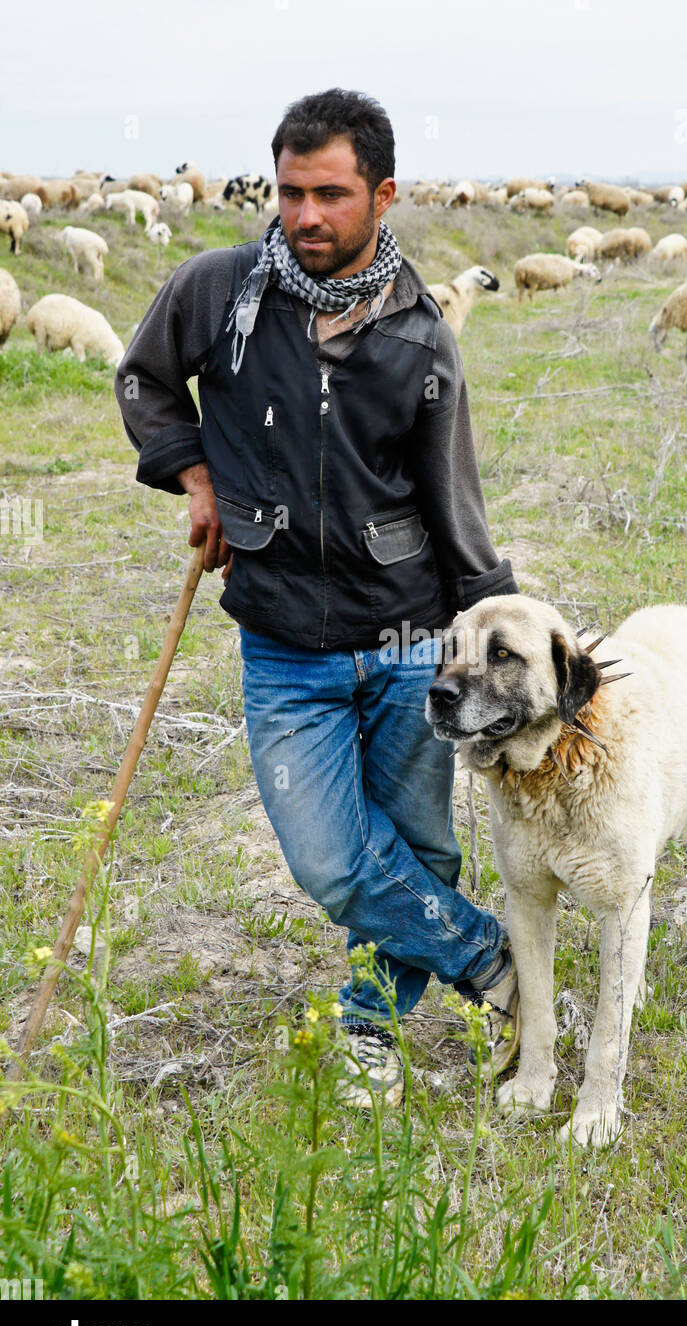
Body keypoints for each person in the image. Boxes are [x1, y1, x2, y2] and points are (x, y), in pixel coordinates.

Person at [114, 88, 519, 1106]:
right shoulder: (217, 291)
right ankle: (497, 963)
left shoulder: (420, 334)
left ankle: (368, 1030)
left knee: (419, 844)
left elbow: (450, 495)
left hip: (404, 634)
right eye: (291, 191)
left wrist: (494, 624)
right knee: (335, 861)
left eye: (330, 193)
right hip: (284, 642)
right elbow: (141, 382)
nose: (304, 215)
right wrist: (195, 477)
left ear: (381, 194)